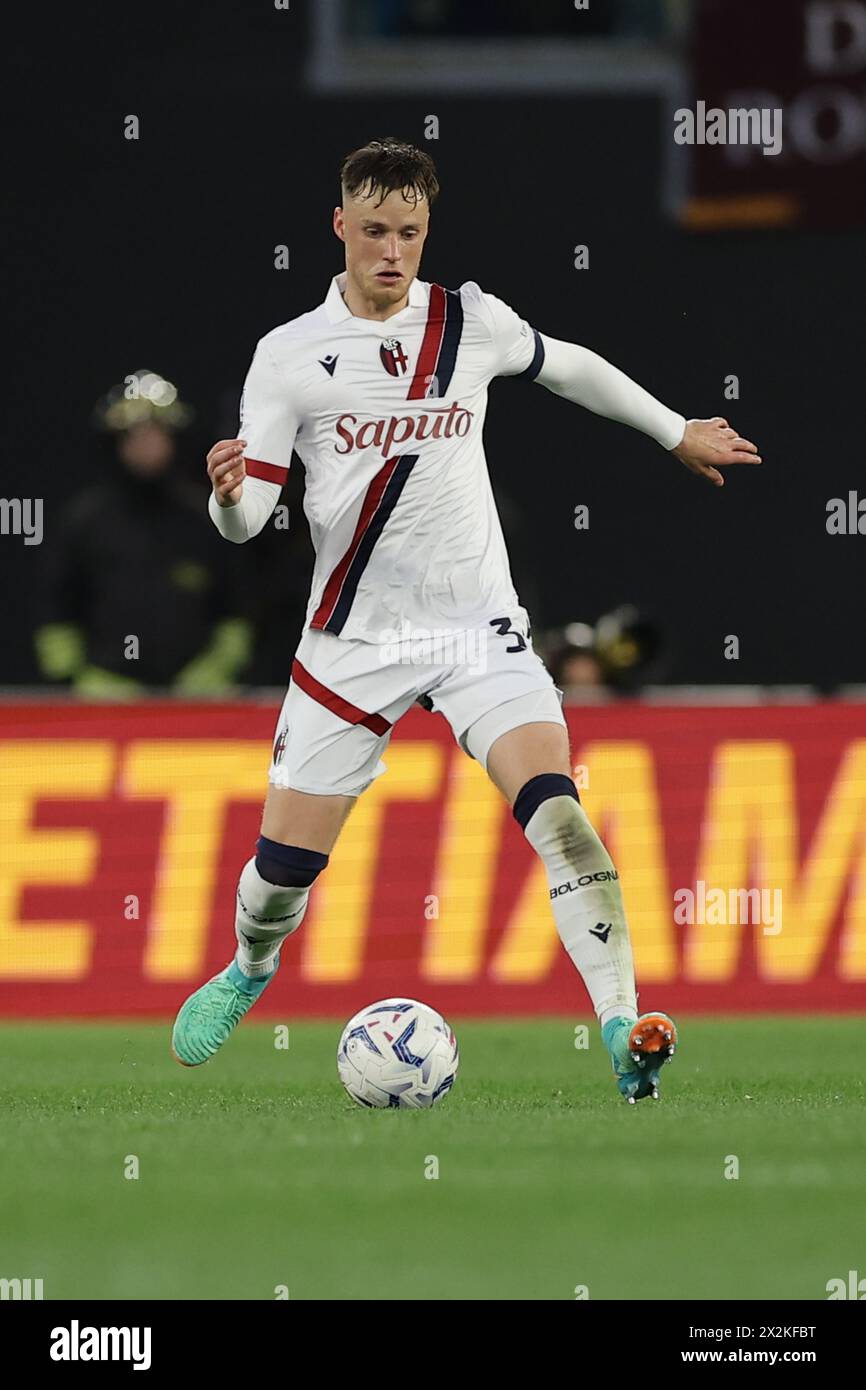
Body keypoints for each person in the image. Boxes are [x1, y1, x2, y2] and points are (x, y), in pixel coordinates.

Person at [172, 138, 761, 1101]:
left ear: (426, 230)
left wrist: (674, 430)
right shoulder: (289, 357)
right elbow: (245, 521)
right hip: (352, 643)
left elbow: (569, 365)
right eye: (373, 231)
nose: (391, 250)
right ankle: (250, 969)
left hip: (476, 628)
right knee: (280, 878)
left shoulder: (469, 322)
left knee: (562, 820)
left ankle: (623, 1028)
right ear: (340, 228)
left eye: (408, 231)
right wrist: (227, 497)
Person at [35, 371, 252, 696]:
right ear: (117, 442)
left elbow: (237, 611)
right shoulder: (84, 522)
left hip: (196, 706)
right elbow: (55, 609)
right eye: (134, 436)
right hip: (104, 703)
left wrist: (212, 674)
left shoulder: (206, 519)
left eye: (156, 434)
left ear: (173, 439)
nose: (147, 445)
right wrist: (75, 682)